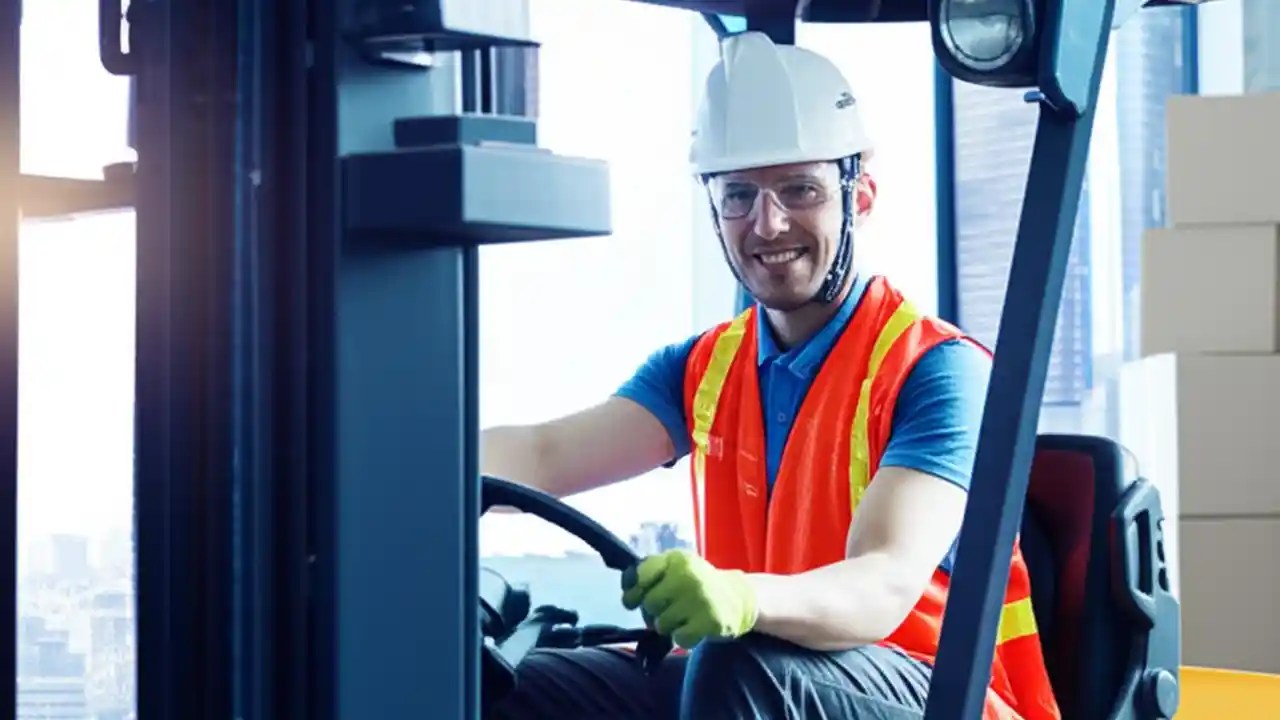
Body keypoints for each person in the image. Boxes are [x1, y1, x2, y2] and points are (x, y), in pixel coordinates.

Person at [482, 31, 1060, 720]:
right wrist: (389, 482)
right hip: (761, 672)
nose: (768, 223)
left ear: (861, 196)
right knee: (510, 680)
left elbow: (883, 581)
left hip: (941, 695)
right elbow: (541, 457)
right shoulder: (704, 368)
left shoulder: (936, 371)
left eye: (800, 190)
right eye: (739, 196)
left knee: (737, 665)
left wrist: (742, 597)